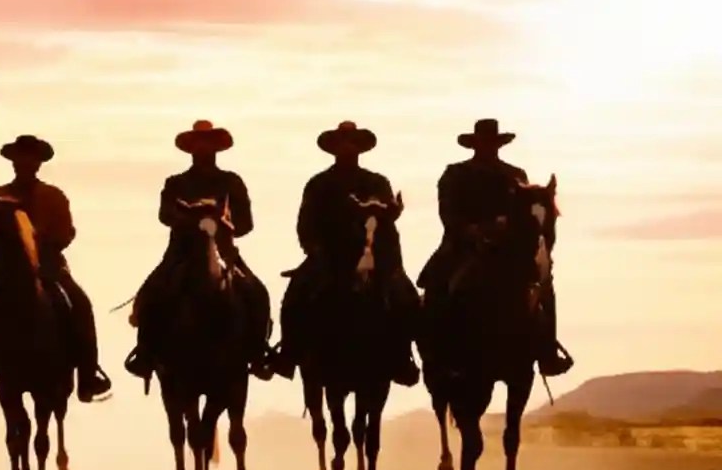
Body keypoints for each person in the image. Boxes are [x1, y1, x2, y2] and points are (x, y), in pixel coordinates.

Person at [0, 135, 113, 402]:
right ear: (13, 162)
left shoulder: (53, 196)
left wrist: (43, 242)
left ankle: (88, 373)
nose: (24, 163)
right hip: (5, 268)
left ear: (38, 163)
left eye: (30, 158)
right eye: (20, 158)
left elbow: (66, 232)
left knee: (81, 304)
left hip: (49, 267)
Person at [417, 119, 572, 377]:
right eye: (484, 142)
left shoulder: (516, 175)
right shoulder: (456, 174)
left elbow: (527, 215)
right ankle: (438, 349)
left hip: (511, 249)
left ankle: (547, 352)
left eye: (492, 142)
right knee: (438, 286)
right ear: (475, 144)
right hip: (464, 246)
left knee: (544, 287)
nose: (489, 147)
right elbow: (449, 213)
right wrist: (474, 230)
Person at [123, 120, 272, 381]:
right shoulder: (175, 183)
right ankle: (145, 353)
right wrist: (188, 220)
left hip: (225, 253)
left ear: (216, 148)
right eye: (199, 143)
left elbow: (246, 223)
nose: (203, 148)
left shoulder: (231, 182)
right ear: (191, 148)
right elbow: (164, 216)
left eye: (208, 143)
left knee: (257, 292)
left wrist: (224, 225)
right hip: (180, 253)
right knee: (151, 294)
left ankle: (259, 352)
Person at [273, 121, 420, 385]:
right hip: (329, 256)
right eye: (343, 143)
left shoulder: (377, 182)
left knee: (405, 295)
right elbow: (306, 223)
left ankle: (403, 355)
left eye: (352, 143)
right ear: (334, 148)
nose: (348, 147)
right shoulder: (319, 183)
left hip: (372, 255)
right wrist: (315, 250)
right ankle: (290, 352)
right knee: (297, 293)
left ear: (360, 148)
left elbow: (387, 223)